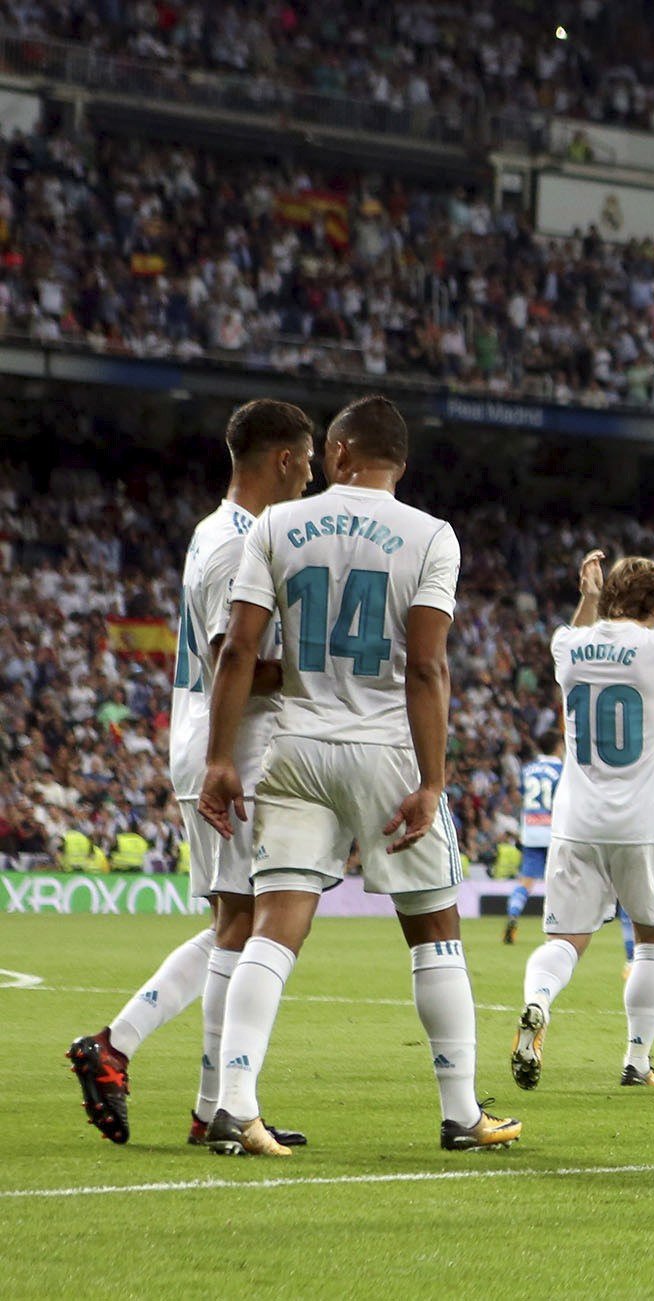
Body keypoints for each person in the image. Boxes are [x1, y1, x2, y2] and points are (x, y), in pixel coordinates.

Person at [197, 395, 520, 1157]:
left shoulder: (274, 526)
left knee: (274, 926)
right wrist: (432, 780)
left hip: (298, 742)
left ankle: (234, 1104)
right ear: (396, 464)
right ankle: (462, 1112)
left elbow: (238, 650)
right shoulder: (431, 535)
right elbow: (427, 664)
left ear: (339, 449)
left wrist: (218, 757)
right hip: (383, 750)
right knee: (434, 928)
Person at [67, 398, 315, 1149]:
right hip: (226, 749)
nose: (310, 475)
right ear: (280, 461)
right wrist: (322, 674)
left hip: (218, 744)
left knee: (233, 923)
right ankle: (129, 1053)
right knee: (242, 924)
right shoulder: (234, 543)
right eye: (305, 461)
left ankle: (208, 1104)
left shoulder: (230, 533)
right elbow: (229, 661)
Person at [510, 550, 654, 1090]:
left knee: (565, 941)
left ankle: (537, 1002)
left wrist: (588, 598)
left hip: (575, 821)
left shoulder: (568, 644)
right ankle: (637, 1061)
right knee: (653, 944)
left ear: (607, 595)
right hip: (645, 823)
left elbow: (574, 643)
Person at [503, 733, 563, 946]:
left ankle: (513, 913)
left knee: (526, 881)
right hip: (555, 831)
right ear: (558, 746)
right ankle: (556, 925)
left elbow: (519, 795)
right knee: (558, 880)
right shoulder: (561, 770)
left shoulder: (526, 770)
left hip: (531, 831)